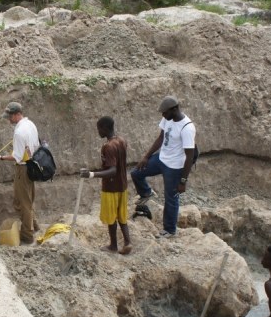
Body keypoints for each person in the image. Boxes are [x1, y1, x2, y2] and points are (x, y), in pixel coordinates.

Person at [130, 95, 196, 238]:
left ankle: (170, 230)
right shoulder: (168, 119)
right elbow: (161, 138)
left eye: (164, 112)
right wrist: (146, 156)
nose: (163, 115)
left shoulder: (187, 128)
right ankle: (146, 192)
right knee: (136, 173)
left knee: (171, 198)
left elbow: (189, 156)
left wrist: (183, 181)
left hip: (175, 167)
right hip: (161, 159)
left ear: (174, 109)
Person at [0, 102, 40, 244]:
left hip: (22, 169)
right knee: (28, 200)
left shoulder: (19, 132)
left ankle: (27, 236)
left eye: (10, 116)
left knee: (22, 203)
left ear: (17, 114)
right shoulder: (31, 125)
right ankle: (34, 226)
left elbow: (16, 157)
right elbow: (36, 146)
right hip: (32, 166)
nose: (8, 119)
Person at [80, 116, 132, 255]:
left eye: (99, 128)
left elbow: (112, 170)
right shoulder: (121, 141)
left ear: (105, 128)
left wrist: (91, 174)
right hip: (123, 186)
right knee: (122, 216)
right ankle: (127, 242)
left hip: (111, 188)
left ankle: (113, 246)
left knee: (111, 218)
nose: (98, 131)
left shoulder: (108, 147)